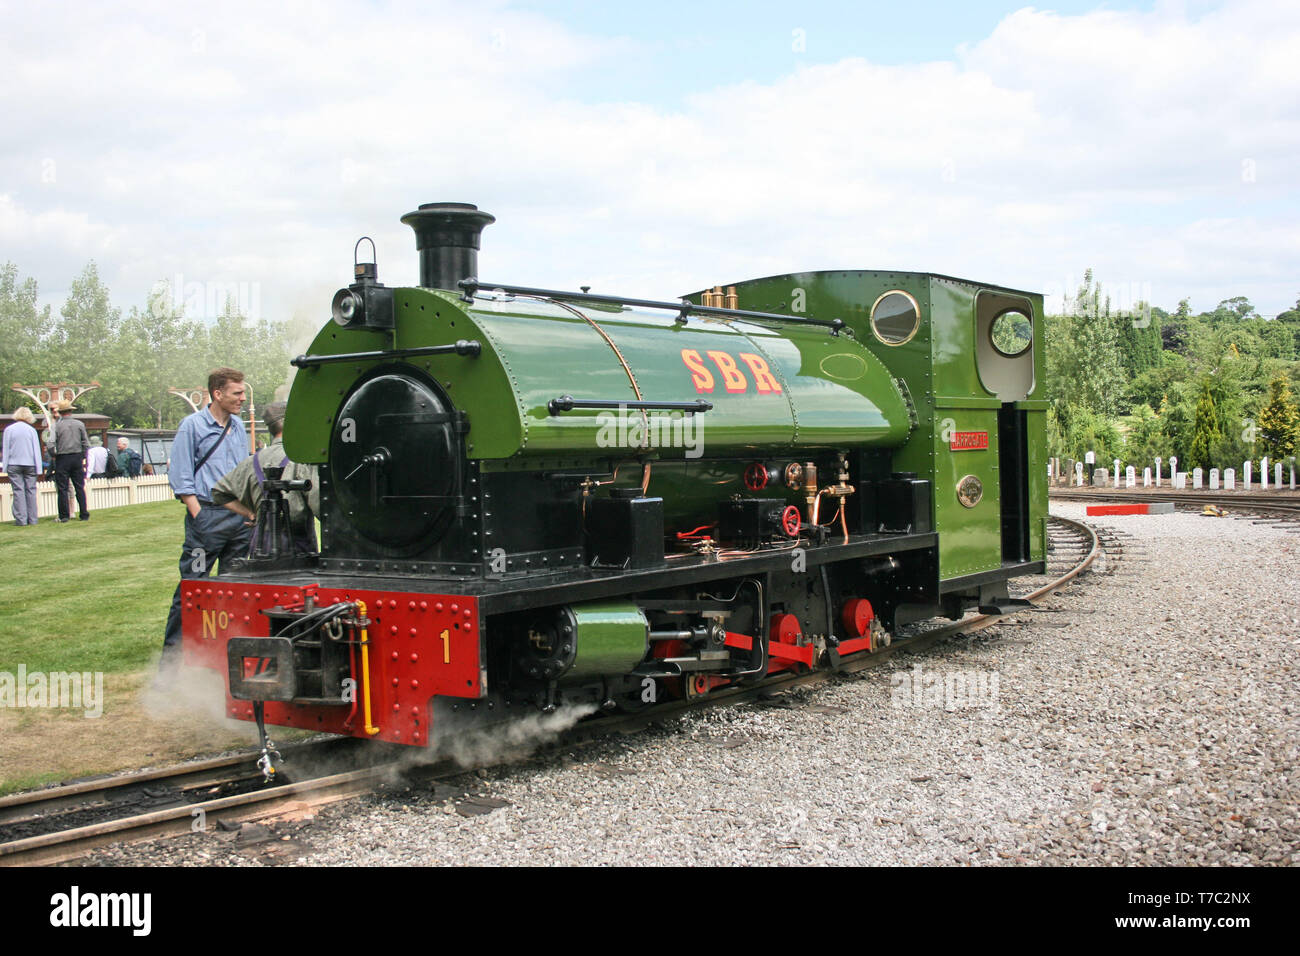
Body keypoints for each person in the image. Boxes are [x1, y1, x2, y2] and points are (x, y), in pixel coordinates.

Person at [159, 367, 253, 675]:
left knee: (235, 589)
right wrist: (198, 514)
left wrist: (248, 512)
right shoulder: (192, 426)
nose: (243, 398)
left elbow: (243, 472)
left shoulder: (237, 426)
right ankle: (171, 665)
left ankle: (224, 661)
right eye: (237, 393)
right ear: (218, 394)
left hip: (238, 519)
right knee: (192, 589)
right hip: (207, 517)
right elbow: (180, 474)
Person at [211, 401, 320, 555]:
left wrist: (250, 514)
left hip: (261, 543)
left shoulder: (251, 462)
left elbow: (219, 492)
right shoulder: (301, 459)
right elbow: (319, 505)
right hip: (297, 545)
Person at [49, 400, 90, 522]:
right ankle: (84, 514)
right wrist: (82, 455)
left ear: (60, 412)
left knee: (63, 488)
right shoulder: (80, 424)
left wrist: (54, 455)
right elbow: (86, 443)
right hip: (77, 457)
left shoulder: (56, 426)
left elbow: (50, 444)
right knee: (79, 487)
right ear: (71, 411)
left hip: (62, 457)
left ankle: (64, 515)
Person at [2, 407, 43, 526]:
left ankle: (21, 519)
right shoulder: (31, 430)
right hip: (30, 464)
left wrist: (5, 466)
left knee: (18, 491)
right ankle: (33, 519)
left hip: (14, 464)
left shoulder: (9, 429)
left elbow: (6, 449)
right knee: (31, 491)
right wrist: (39, 468)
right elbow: (36, 449)